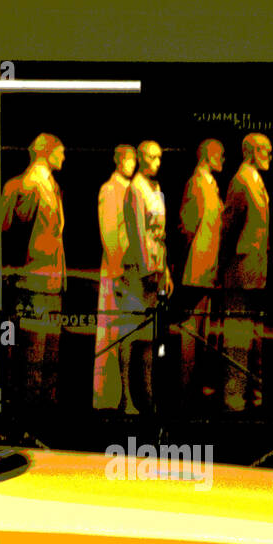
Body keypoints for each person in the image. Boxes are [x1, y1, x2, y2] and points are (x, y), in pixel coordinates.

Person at [1, 132, 66, 406]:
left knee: (48, 357)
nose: (63, 156)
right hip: (32, 280)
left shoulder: (51, 185)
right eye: (60, 151)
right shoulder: (27, 184)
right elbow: (11, 229)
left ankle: (44, 411)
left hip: (50, 281)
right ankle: (29, 413)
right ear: (46, 152)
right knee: (32, 357)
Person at [116, 140, 173, 414]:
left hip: (156, 264)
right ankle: (126, 396)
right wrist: (148, 269)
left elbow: (161, 233)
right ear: (141, 158)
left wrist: (166, 268)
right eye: (152, 157)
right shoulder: (135, 189)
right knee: (129, 332)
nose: (157, 162)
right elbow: (138, 231)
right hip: (138, 270)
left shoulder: (157, 188)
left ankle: (148, 394)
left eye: (160, 157)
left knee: (150, 337)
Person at [217, 133, 271, 412]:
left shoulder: (256, 181)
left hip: (253, 269)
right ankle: (234, 394)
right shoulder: (240, 182)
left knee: (252, 334)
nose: (269, 156)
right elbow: (229, 227)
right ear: (250, 151)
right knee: (237, 335)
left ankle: (252, 393)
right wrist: (221, 265)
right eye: (264, 150)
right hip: (239, 268)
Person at [179, 138, 224, 404]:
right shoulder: (196, 183)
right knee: (191, 330)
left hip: (206, 269)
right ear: (208, 156)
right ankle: (186, 389)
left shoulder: (209, 184)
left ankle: (194, 386)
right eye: (220, 155)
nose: (223, 159)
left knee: (201, 331)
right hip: (196, 269)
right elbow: (187, 225)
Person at [94, 144, 137, 410]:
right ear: (119, 160)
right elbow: (109, 234)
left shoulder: (130, 190)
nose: (132, 165)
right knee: (113, 336)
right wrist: (117, 271)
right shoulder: (110, 190)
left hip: (129, 274)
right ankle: (110, 398)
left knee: (126, 336)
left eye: (134, 161)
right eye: (129, 160)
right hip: (116, 274)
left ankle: (123, 397)